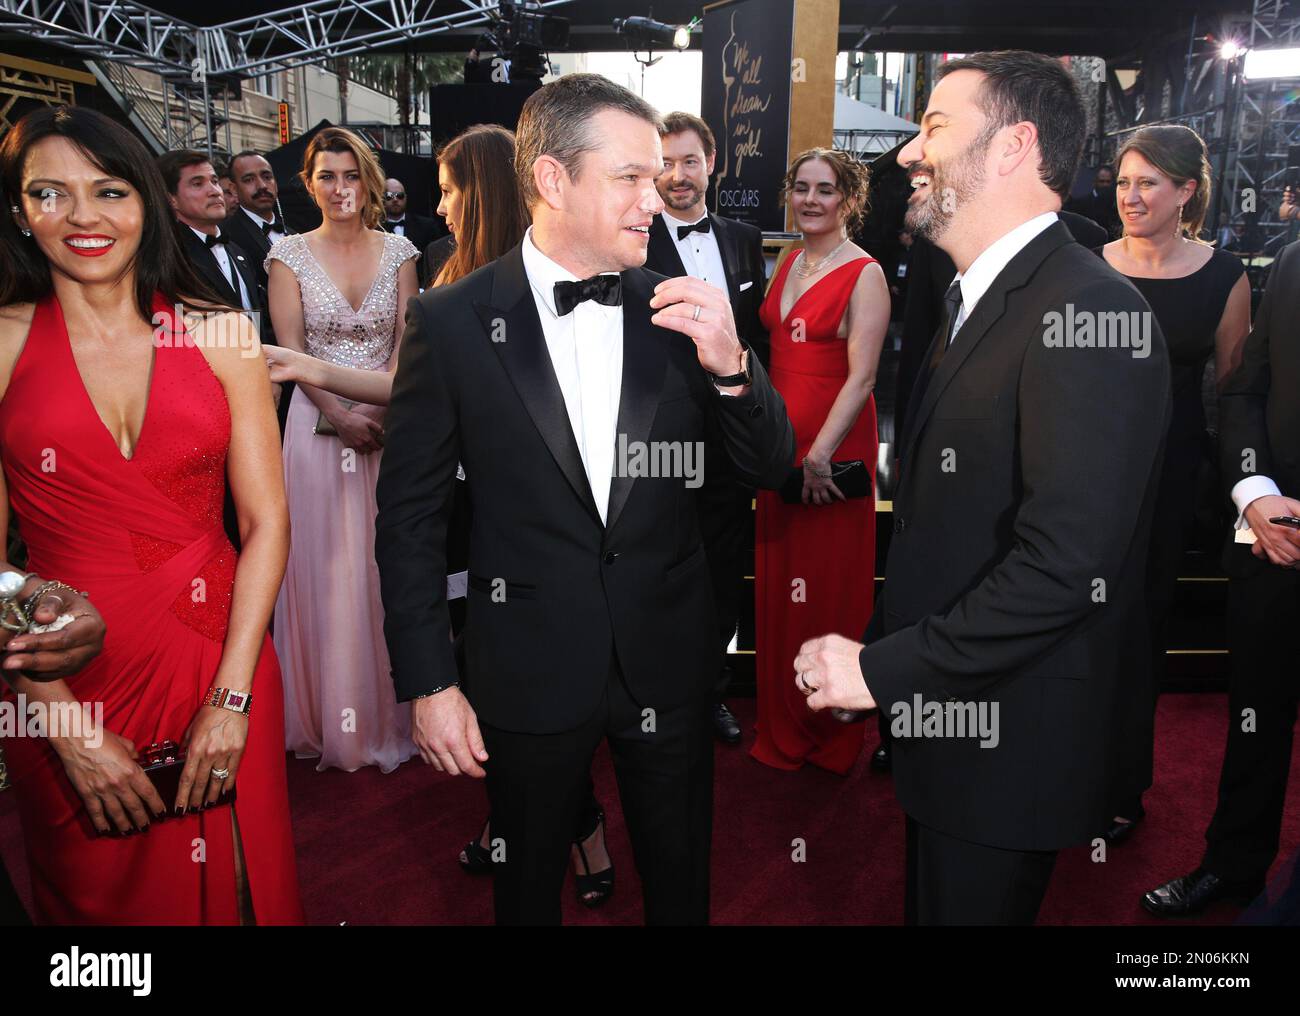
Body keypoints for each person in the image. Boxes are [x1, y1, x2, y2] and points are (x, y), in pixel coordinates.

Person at [374, 73, 794, 925]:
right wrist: (428, 683)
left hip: (667, 658)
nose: (658, 196)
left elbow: (769, 467)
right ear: (555, 181)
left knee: (681, 882)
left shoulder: (681, 310)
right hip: (523, 665)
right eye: (630, 177)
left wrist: (733, 368)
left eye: (660, 175)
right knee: (525, 886)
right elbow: (410, 518)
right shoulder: (452, 322)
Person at [793, 50, 1171, 925]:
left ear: (1014, 147)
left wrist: (880, 670)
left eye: (932, 127)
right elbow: (947, 525)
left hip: (1011, 744)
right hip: (954, 725)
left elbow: (1065, 567)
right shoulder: (984, 297)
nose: (905, 156)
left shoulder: (1091, 313)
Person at [266, 123, 617, 904]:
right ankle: (515, 825)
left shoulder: (508, 285)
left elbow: (419, 390)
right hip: (450, 499)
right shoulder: (457, 275)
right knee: (489, 678)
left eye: (453, 190)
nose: (441, 205)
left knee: (512, 686)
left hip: (492, 514)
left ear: (484, 189)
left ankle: (581, 834)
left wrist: (304, 367)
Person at [0, 105, 302, 924]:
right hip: (64, 673)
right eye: (50, 194)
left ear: (145, 201)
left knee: (239, 894)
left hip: (221, 655)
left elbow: (266, 522)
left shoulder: (220, 334)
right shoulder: (2, 343)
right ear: (20, 214)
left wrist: (233, 699)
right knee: (100, 920)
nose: (85, 216)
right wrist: (62, 723)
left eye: (108, 189)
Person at [1094, 125, 1252, 844]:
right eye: (1124, 181)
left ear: (1186, 192)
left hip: (1168, 478)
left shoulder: (1226, 278)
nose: (1130, 196)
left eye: (1147, 183)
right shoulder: (1085, 266)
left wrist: (1234, 495)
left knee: (1140, 630)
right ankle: (1059, 767)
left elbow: (1234, 394)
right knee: (1071, 623)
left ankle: (1122, 784)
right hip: (1084, 471)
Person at [1142, 239, 1300, 916]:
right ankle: (1234, 867)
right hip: (1270, 537)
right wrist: (1254, 489)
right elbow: (1246, 387)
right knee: (1257, 715)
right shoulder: (1294, 260)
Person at [266, 127, 419, 774]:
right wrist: (340, 415)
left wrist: (376, 409)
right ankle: (327, 716)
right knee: (325, 568)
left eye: (350, 175)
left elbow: (411, 343)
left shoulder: (402, 251)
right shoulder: (287, 255)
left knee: (388, 569)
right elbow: (289, 354)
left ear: (369, 181)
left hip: (390, 424)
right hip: (314, 429)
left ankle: (397, 713)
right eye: (326, 176)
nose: (339, 189)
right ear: (310, 184)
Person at [750, 148, 890, 775]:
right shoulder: (787, 259)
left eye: (825, 190)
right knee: (782, 580)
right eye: (801, 187)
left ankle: (830, 727)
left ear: (849, 200)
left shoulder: (866, 273)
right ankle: (782, 714)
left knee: (827, 586)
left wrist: (820, 459)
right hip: (780, 443)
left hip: (833, 447)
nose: (810, 200)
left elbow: (862, 378)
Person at [646, 110, 770, 746]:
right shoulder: (633, 239)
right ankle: (652, 697)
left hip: (726, 445)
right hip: (657, 445)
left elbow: (755, 342)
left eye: (688, 161)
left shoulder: (744, 239)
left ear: (712, 164)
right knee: (657, 567)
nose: (677, 176)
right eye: (664, 163)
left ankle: (710, 693)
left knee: (723, 573)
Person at [159, 150, 260, 316]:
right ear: (171, 199)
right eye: (197, 184)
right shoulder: (169, 258)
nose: (214, 191)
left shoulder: (238, 252)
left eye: (215, 181)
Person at [382, 177, 440, 252]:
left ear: (405, 198)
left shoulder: (427, 226)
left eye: (400, 195)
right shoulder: (374, 229)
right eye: (389, 196)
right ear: (382, 199)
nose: (395, 200)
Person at [1066, 163, 1121, 238]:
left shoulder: (1116, 204)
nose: (1105, 184)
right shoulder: (1081, 204)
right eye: (1102, 181)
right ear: (1095, 182)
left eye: (1108, 182)